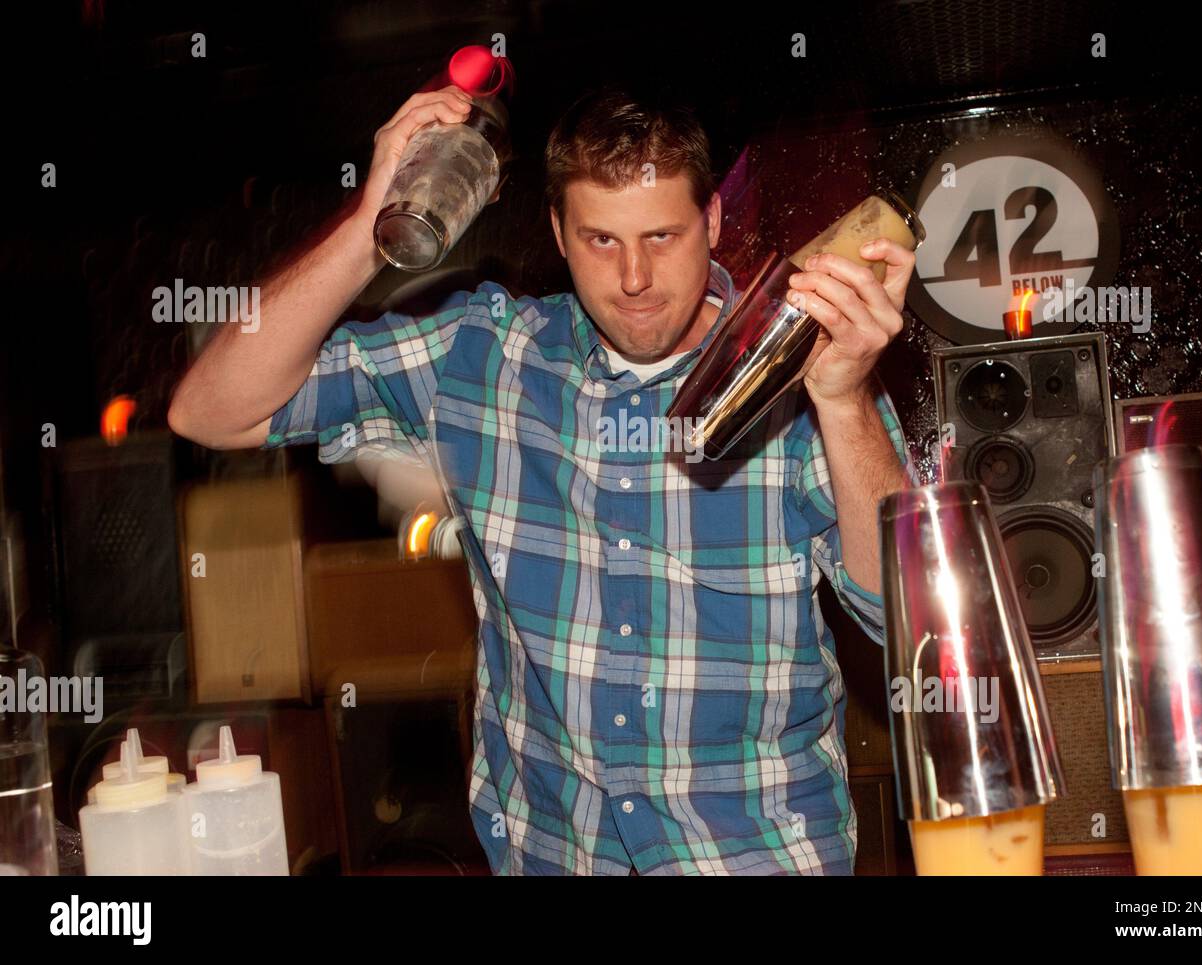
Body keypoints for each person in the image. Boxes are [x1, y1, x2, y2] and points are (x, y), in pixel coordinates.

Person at [168, 82, 920, 875]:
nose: (634, 276)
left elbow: (903, 619)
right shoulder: (482, 356)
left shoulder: (806, 365)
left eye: (663, 234)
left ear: (715, 223)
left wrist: (842, 400)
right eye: (601, 239)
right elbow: (212, 411)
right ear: (557, 232)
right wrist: (371, 225)